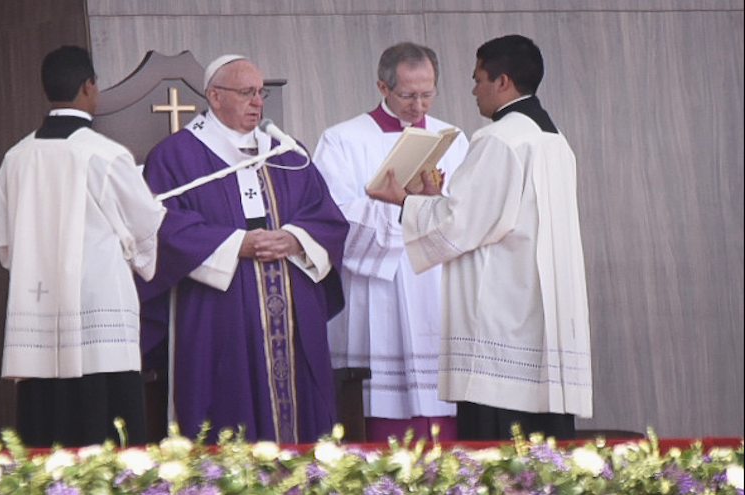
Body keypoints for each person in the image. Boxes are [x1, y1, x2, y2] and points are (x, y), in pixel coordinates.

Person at [368, 34, 592, 440]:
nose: (473, 91)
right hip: (542, 320)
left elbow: (460, 225)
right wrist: (436, 201)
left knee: (497, 449)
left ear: (502, 81)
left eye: (478, 79)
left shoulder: (499, 139)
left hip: (499, 326)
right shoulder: (555, 141)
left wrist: (406, 202)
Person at [138, 54, 350, 444]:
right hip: (218, 314)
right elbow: (160, 228)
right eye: (247, 92)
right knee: (225, 408)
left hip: (290, 307)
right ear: (215, 97)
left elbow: (327, 218)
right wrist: (237, 244)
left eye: (261, 92)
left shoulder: (287, 152)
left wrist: (295, 238)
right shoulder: (175, 156)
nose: (257, 102)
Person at [0, 45, 165, 447]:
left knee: (46, 424)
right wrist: (141, 248)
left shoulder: (15, 157)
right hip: (98, 304)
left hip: (37, 309)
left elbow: (5, 244)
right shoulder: (105, 154)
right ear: (90, 86)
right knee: (107, 423)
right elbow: (144, 224)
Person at [312, 42, 470, 443]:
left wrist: (430, 205)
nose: (419, 106)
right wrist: (403, 209)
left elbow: (469, 214)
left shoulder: (452, 139)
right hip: (376, 288)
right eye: (408, 95)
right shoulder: (343, 140)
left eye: (427, 94)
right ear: (382, 87)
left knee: (442, 417)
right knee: (380, 415)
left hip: (434, 286)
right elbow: (334, 217)